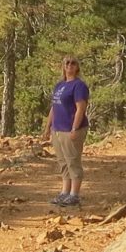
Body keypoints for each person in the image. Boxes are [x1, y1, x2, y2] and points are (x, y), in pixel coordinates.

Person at [45, 56, 89, 208]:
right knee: (63, 162)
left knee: (73, 161)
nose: (70, 65)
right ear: (63, 66)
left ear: (77, 67)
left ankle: (74, 194)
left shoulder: (79, 86)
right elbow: (54, 107)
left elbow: (80, 108)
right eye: (67, 63)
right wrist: (48, 127)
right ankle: (65, 192)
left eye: (73, 63)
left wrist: (74, 128)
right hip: (57, 129)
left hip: (71, 129)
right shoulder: (59, 85)